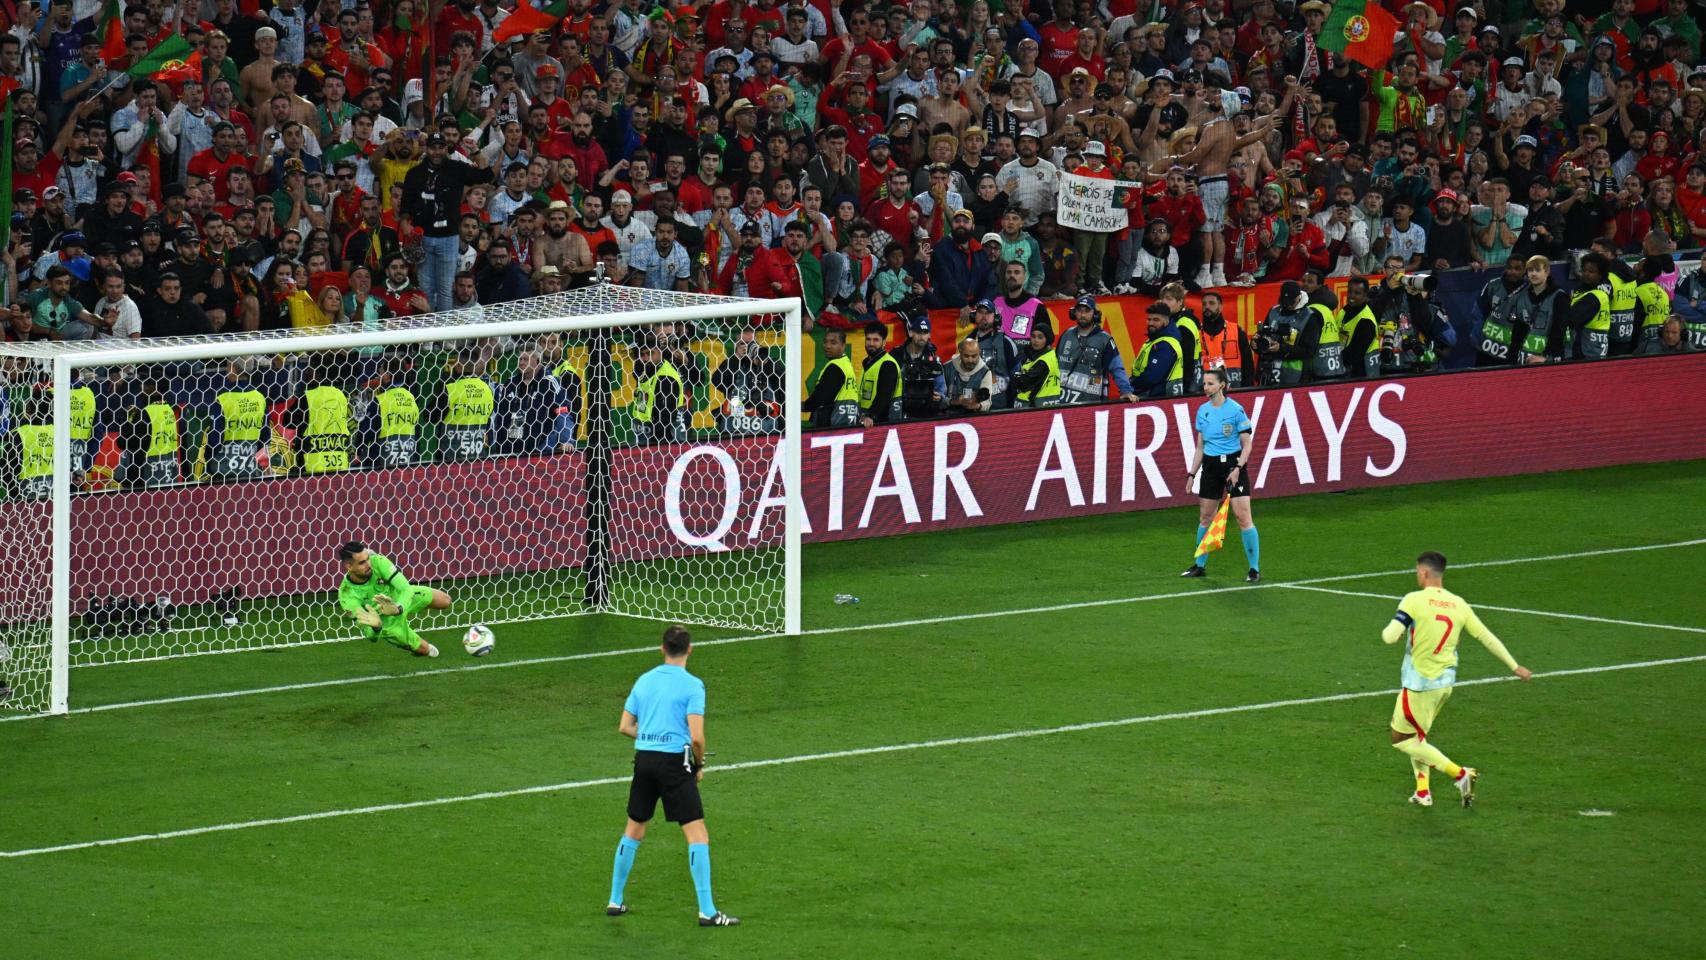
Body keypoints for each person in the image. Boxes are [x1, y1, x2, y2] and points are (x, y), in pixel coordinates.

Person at [607, 624, 738, 926]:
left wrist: (651, 738)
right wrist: (699, 765)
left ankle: (615, 899)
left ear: (662, 648)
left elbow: (625, 726)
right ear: (689, 649)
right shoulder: (693, 686)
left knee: (634, 829)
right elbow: (697, 738)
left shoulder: (644, 681)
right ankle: (707, 911)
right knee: (697, 834)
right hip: (674, 765)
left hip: (644, 761)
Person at [1383, 551, 1533, 808]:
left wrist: (1396, 630)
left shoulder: (1414, 600)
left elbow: (1390, 636)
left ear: (1424, 572)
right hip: (1445, 684)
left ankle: (1462, 775)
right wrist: (1514, 665)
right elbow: (1486, 637)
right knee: (1418, 737)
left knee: (1402, 740)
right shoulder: (1459, 604)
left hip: (1419, 684)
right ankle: (1423, 792)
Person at [1183, 368, 1259, 583]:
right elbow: (1200, 446)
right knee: (1206, 517)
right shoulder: (1202, 411)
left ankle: (1254, 569)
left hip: (1234, 465)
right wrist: (1191, 474)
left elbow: (1247, 445)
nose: (1205, 388)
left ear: (1222, 385)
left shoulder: (1236, 410)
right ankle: (1199, 565)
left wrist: (1237, 469)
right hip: (1210, 467)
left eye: (1210, 384)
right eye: (1204, 384)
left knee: (1243, 517)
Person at [336, 541, 453, 659]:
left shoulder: (378, 562)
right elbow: (371, 637)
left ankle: (411, 613)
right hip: (387, 623)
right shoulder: (347, 595)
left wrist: (398, 608)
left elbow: (406, 589)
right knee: (427, 651)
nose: (369, 564)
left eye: (368, 558)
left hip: (400, 599)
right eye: (362, 563)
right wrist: (377, 628)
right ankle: (411, 645)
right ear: (349, 566)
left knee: (446, 600)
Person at [802, 328, 860, 428]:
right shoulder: (845, 364)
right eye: (825, 342)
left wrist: (803, 406)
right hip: (845, 422)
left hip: (832, 424)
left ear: (843, 345)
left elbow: (821, 398)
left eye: (833, 343)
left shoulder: (835, 366)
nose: (827, 346)